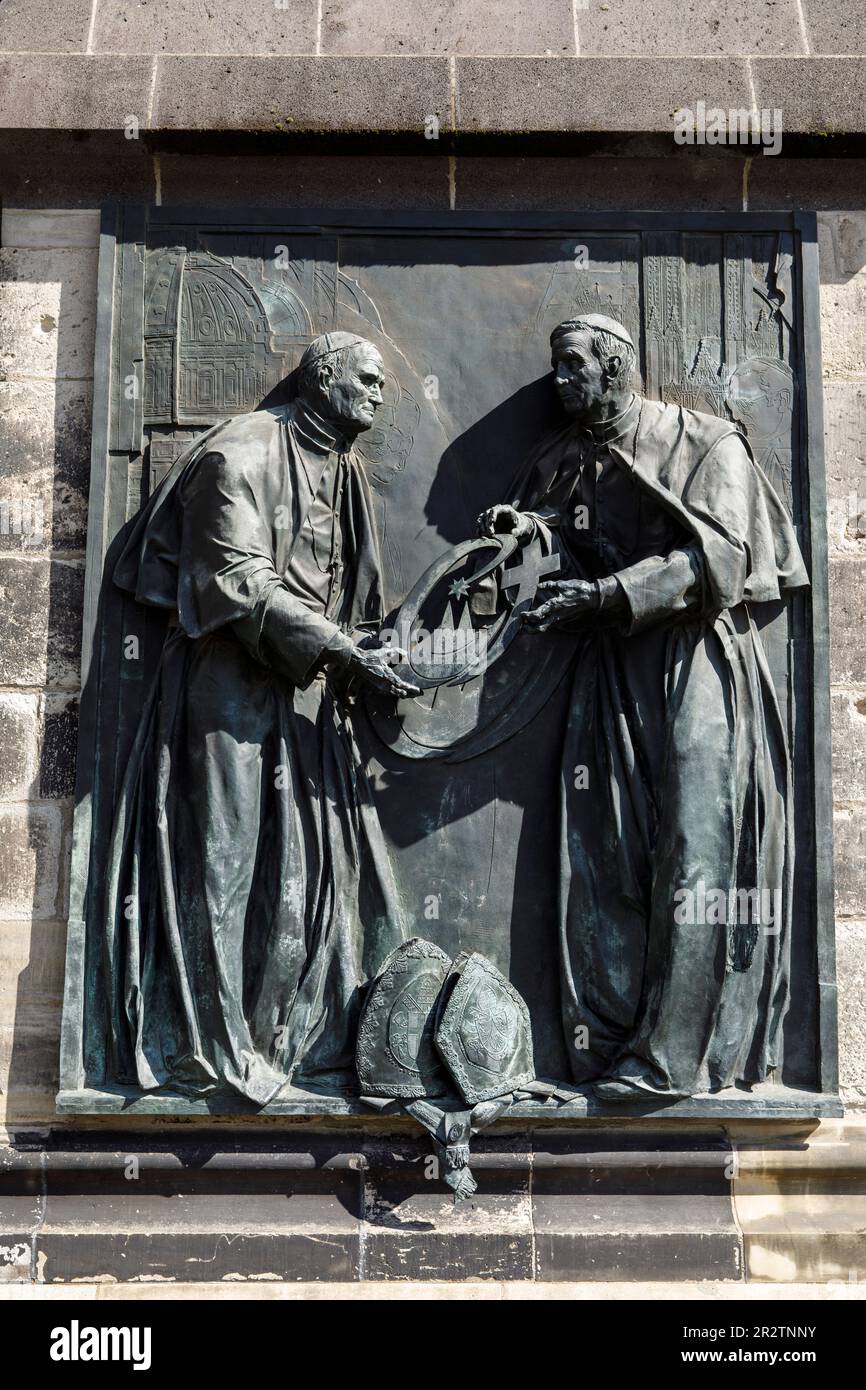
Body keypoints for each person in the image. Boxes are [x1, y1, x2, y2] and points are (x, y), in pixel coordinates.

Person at [478, 314, 809, 1099]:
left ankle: (673, 1061)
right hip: (609, 675)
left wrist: (605, 593)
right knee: (607, 859)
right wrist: (520, 538)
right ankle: (611, 1043)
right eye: (556, 368)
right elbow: (541, 569)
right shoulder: (564, 460)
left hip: (693, 665)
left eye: (571, 366)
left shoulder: (706, 443)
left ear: (616, 366)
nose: (559, 382)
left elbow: (720, 558)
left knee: (696, 852)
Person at [105, 331, 419, 1104]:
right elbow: (235, 579)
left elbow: (353, 591)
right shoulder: (237, 456)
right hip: (229, 685)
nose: (380, 392)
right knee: (224, 862)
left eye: (383, 383)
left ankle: (292, 1040)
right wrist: (339, 649)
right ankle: (209, 1054)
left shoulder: (340, 470)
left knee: (307, 868)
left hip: (305, 690)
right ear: (321, 379)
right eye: (368, 379)